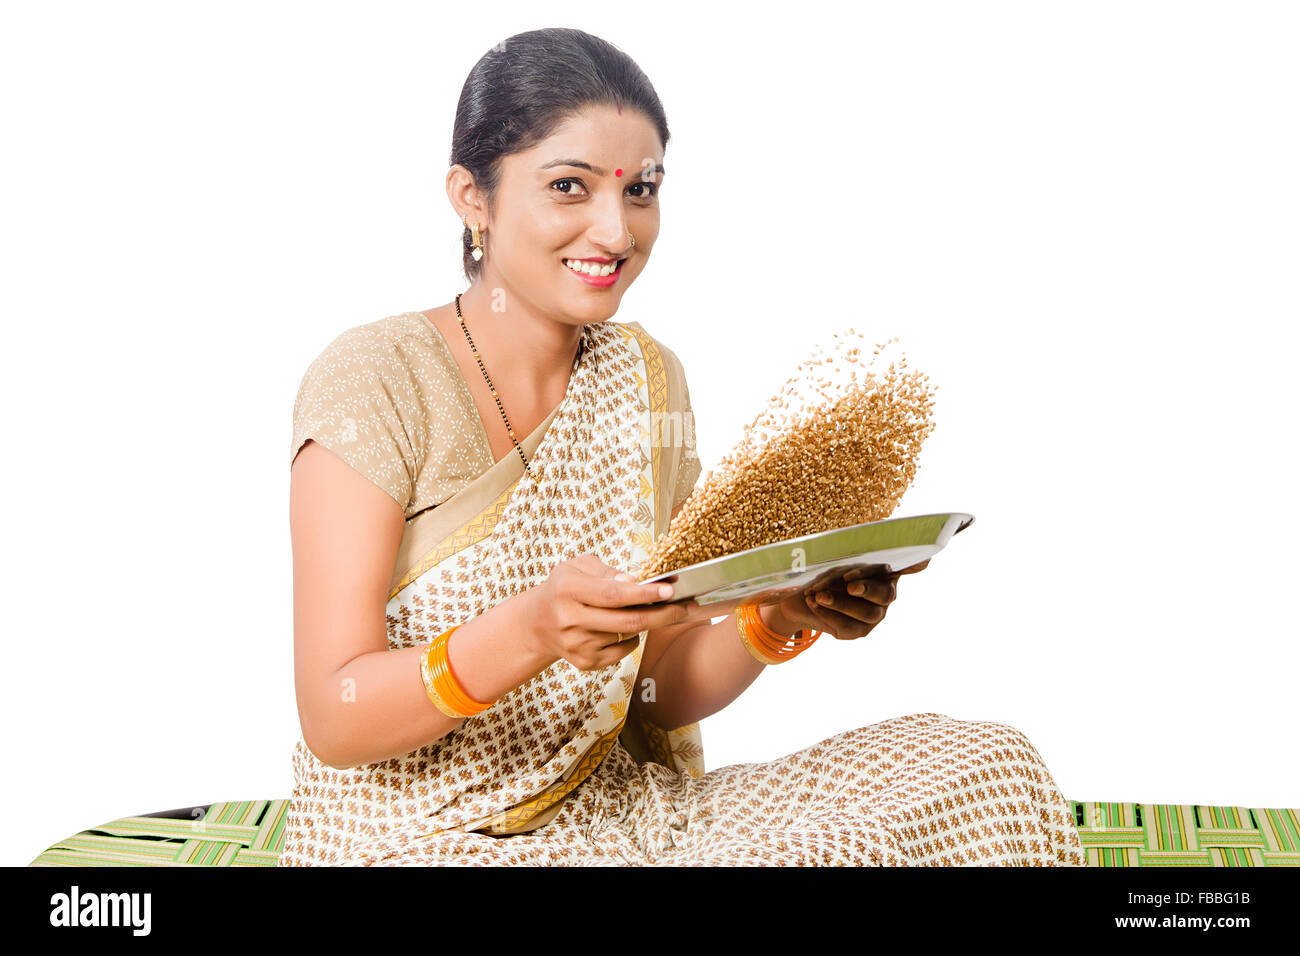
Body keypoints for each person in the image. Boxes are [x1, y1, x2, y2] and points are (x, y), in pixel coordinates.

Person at [279, 27, 1085, 866]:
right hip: (423, 833)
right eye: (569, 187)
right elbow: (335, 715)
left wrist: (778, 614)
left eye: (641, 191)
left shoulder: (645, 379)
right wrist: (530, 630)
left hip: (622, 815)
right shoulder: (376, 378)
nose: (614, 230)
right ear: (471, 197)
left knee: (984, 766)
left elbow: (659, 688)